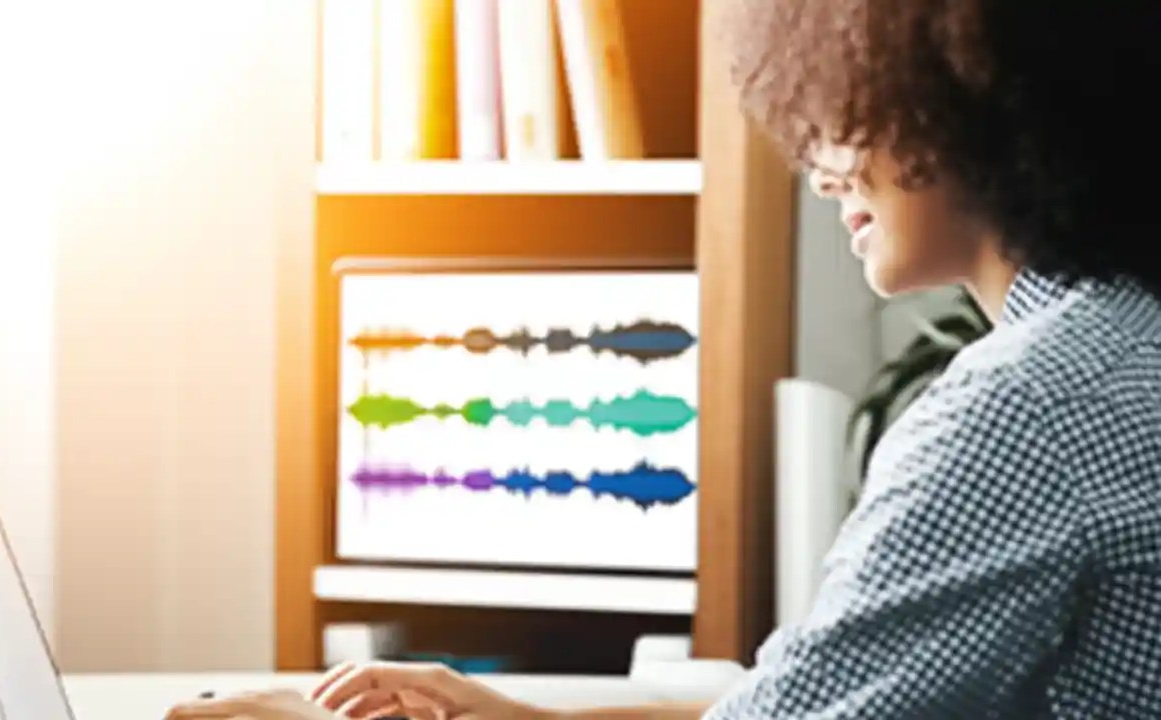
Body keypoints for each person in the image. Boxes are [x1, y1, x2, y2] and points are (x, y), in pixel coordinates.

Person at [168, 1, 1161, 717]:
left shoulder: (1022, 408)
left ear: (969, 91)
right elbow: (792, 703)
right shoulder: (1123, 341)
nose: (819, 168)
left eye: (847, 108)